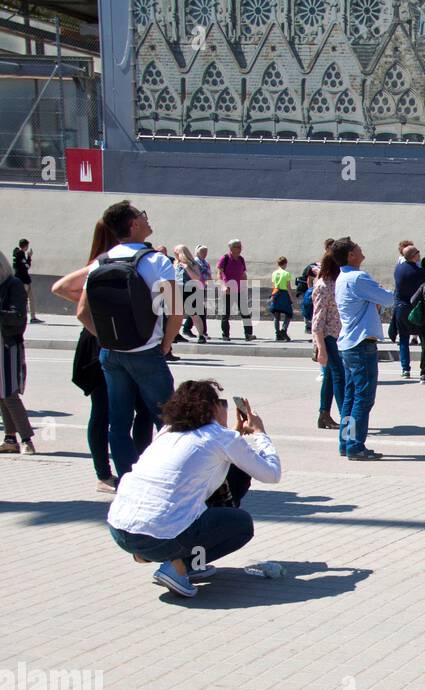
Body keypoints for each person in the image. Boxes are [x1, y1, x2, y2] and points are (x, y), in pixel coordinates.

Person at [106, 380, 281, 598]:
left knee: (223, 487)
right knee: (241, 524)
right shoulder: (220, 438)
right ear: (212, 408)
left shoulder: (167, 431)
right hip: (158, 535)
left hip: (120, 530)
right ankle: (179, 567)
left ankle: (163, 557)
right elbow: (272, 474)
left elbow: (211, 459)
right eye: (221, 403)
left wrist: (235, 434)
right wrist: (260, 434)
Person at [75, 202, 179, 476]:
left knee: (118, 423)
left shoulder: (102, 260)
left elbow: (82, 312)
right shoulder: (157, 261)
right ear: (133, 225)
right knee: (170, 421)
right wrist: (165, 345)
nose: (147, 219)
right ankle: (169, 477)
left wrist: (107, 338)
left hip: (111, 354)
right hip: (146, 351)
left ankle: (127, 480)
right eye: (142, 215)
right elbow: (177, 310)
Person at [332, 237, 395, 461]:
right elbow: (388, 299)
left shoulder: (343, 278)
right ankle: (355, 446)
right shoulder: (358, 277)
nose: (361, 249)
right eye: (358, 247)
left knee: (350, 397)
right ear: (351, 255)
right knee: (363, 398)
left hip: (349, 344)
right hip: (361, 344)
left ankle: (346, 442)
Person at [0, 255, 35, 455]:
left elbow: (18, 318)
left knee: (10, 395)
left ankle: (26, 439)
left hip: (8, 346)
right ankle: (10, 438)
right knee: (1, 396)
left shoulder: (13, 285)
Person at [311, 252, 343, 431]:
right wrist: (320, 348)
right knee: (339, 375)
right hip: (328, 337)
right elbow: (318, 319)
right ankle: (346, 416)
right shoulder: (323, 285)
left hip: (337, 336)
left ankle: (324, 414)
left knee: (331, 378)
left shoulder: (337, 283)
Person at [393, 244, 425, 379]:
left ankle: (405, 368)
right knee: (424, 337)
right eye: (418, 252)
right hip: (415, 307)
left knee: (404, 338)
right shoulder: (420, 272)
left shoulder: (398, 269)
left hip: (401, 306)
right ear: (414, 255)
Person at [10, 239, 40, 325]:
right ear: (25, 246)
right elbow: (26, 266)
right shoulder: (20, 254)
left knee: (30, 299)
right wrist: (29, 257)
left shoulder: (17, 254)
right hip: (23, 280)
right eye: (27, 246)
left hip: (23, 279)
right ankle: (25, 316)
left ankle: (32, 317)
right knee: (25, 299)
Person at [269, 256, 294, 342]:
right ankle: (283, 329)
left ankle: (277, 334)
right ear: (285, 264)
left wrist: (272, 296)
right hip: (284, 294)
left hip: (276, 293)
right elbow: (288, 287)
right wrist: (291, 298)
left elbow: (273, 285)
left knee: (276, 314)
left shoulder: (274, 273)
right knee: (289, 313)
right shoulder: (286, 273)